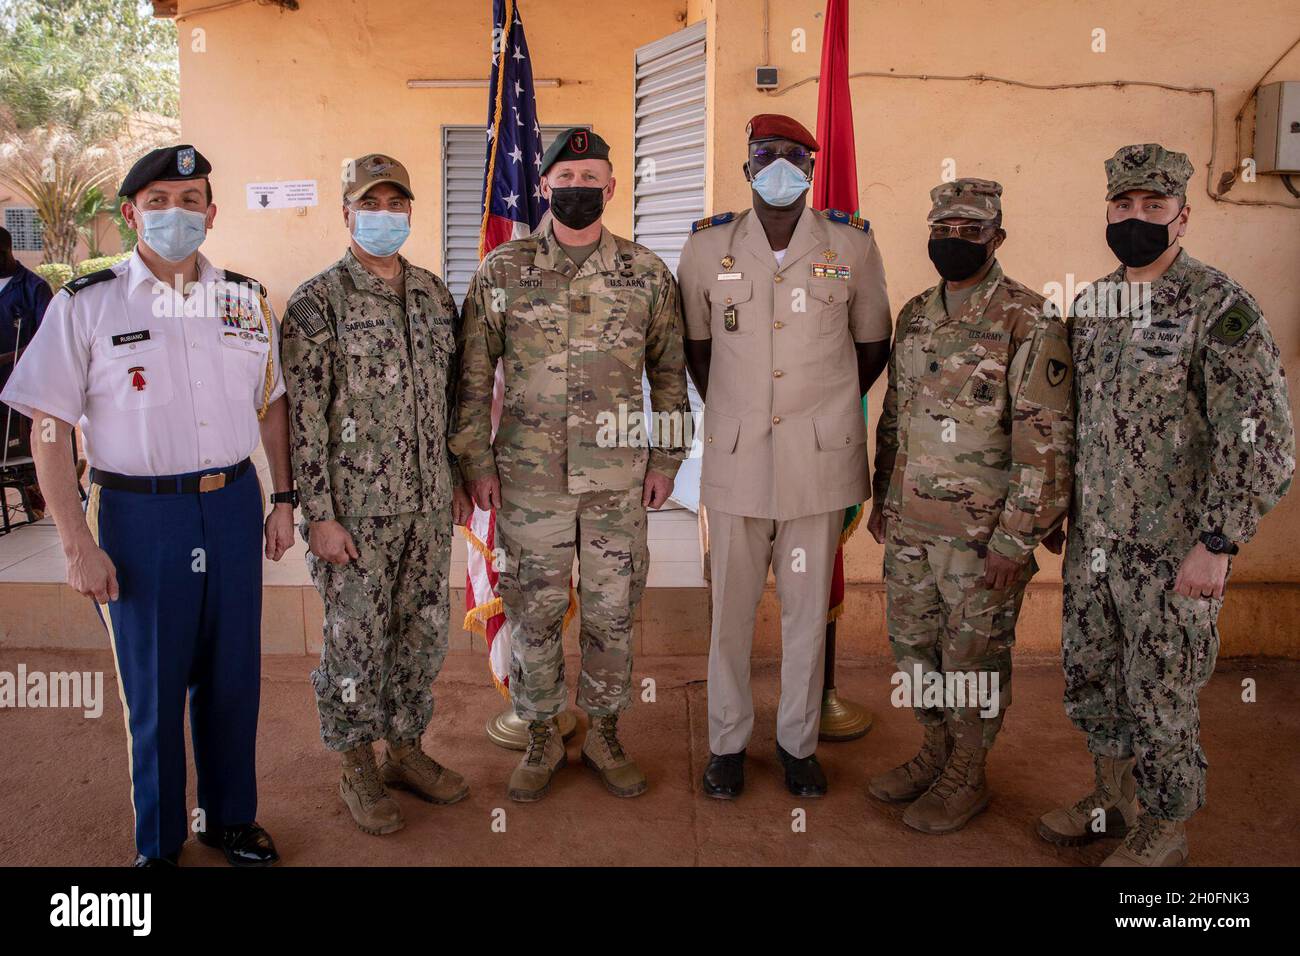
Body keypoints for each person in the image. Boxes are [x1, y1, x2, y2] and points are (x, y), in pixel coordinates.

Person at [0, 145, 292, 866]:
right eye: (158, 200)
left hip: (229, 505)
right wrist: (75, 543)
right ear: (131, 214)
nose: (176, 214)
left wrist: (282, 496)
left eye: (190, 201)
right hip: (137, 516)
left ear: (212, 214)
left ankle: (228, 820)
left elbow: (273, 406)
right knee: (154, 688)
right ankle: (159, 842)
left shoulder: (243, 300)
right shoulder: (86, 304)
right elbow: (48, 424)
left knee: (233, 678)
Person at [1038, 144, 1295, 866]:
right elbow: (1070, 422)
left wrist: (1218, 542)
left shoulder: (1220, 308)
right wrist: (1059, 510)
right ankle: (1115, 798)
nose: (1137, 219)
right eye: (1124, 206)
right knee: (1093, 680)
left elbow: (1264, 439)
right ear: (1108, 210)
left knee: (1161, 694)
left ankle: (1166, 822)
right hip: (1094, 545)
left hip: (1173, 554)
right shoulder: (1090, 308)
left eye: (1154, 207)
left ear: (1183, 216)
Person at [451, 127, 690, 803]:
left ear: (611, 190)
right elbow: (473, 377)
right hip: (528, 483)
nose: (578, 190)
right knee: (533, 611)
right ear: (544, 186)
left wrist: (667, 459)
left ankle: (606, 732)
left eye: (592, 180)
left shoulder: (646, 273)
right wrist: (476, 460)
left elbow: (670, 378)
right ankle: (542, 734)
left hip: (618, 481)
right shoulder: (504, 270)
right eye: (567, 179)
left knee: (613, 612)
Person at [677, 113, 892, 799]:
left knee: (806, 615)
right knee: (731, 615)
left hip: (817, 462)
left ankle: (798, 745)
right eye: (765, 155)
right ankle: (727, 746)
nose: (779, 167)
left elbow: (870, 346)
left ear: (810, 167)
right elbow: (698, 349)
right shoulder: (707, 246)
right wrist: (748, 411)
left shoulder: (852, 246)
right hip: (739, 463)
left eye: (793, 156)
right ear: (747, 168)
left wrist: (817, 408)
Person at [866, 178, 1074, 833]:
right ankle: (936, 751)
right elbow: (896, 414)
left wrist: (1017, 539)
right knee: (914, 650)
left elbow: (1045, 438)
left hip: (982, 539)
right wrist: (883, 497)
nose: (954, 242)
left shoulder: (1028, 318)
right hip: (910, 525)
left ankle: (968, 774)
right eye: (943, 231)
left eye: (970, 232)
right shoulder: (918, 313)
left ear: (997, 238)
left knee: (972, 660)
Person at [281, 153, 472, 836]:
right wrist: (320, 518)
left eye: (396, 203)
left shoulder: (431, 294)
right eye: (372, 203)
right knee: (356, 641)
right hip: (356, 515)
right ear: (346, 212)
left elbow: (451, 400)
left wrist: (451, 479)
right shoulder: (315, 303)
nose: (385, 215)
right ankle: (356, 760)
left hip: (425, 506)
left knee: (421, 634)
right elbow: (304, 421)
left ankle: (405, 750)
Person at [0, 226, 55, 514]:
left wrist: (8, 358)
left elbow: (49, 341)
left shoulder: (34, 288)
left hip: (23, 391)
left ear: (7, 250)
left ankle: (36, 502)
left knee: (28, 452)